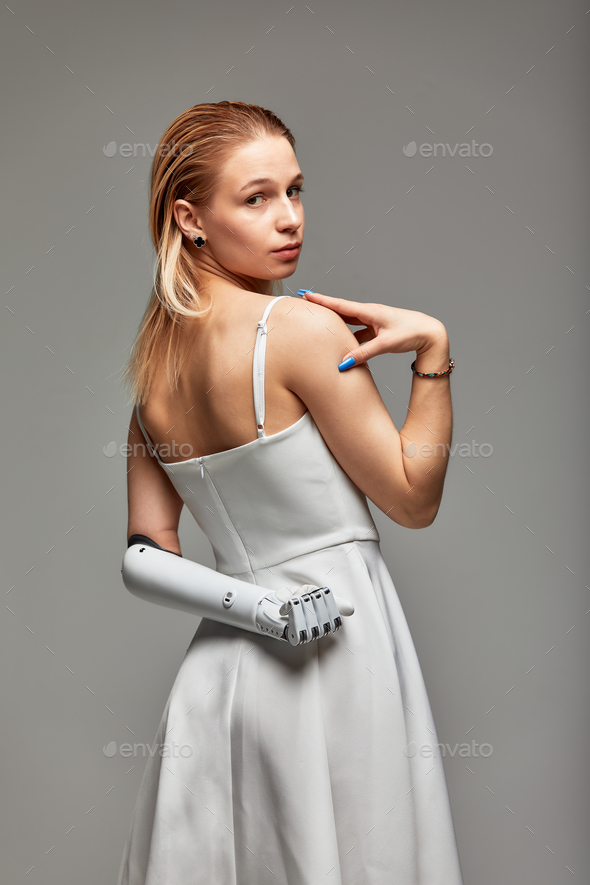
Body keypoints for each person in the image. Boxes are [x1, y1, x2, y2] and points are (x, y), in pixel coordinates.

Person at [116, 100, 464, 885]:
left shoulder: (151, 386)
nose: (289, 218)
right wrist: (434, 351)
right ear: (189, 218)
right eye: (257, 196)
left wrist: (258, 608)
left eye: (296, 191)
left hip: (222, 676)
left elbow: (143, 557)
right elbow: (413, 496)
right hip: (339, 646)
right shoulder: (301, 333)